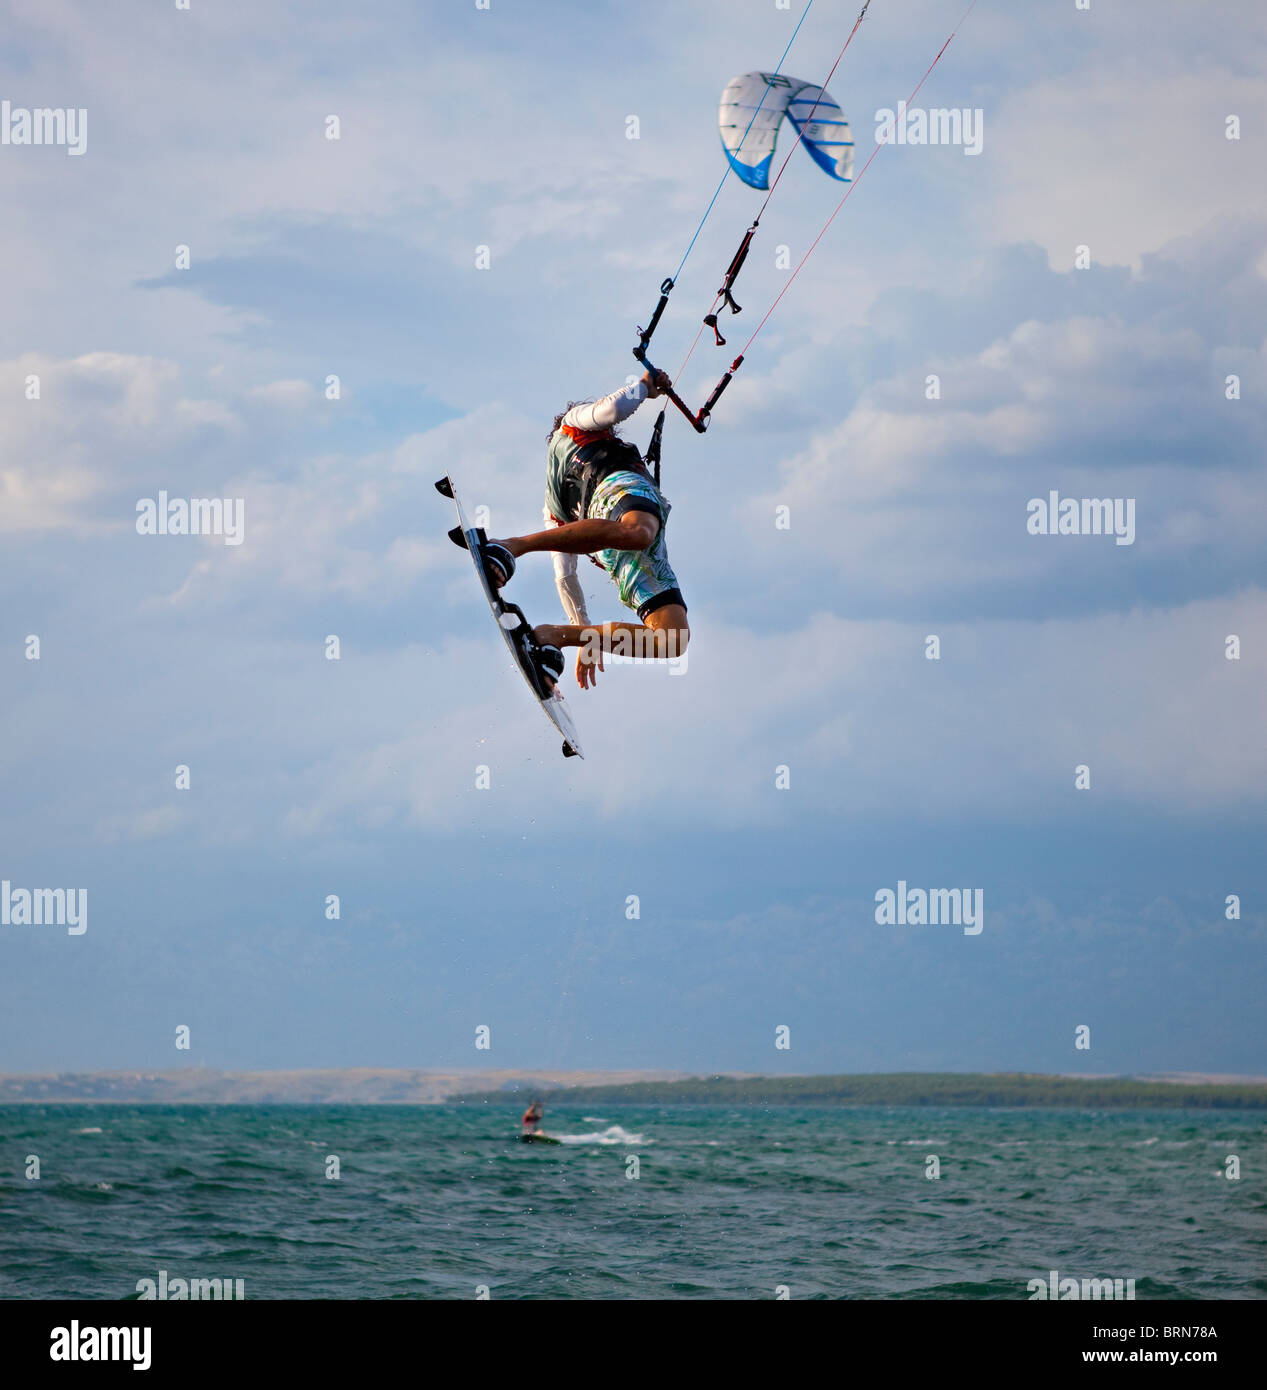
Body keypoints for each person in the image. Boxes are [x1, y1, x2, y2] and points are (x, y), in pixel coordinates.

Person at [484, 370, 690, 691]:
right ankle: (511, 546)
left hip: (630, 541)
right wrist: (644, 387)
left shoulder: (554, 507)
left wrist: (584, 636)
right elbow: (610, 410)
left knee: (672, 640)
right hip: (624, 501)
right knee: (638, 532)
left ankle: (556, 635)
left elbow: (565, 577)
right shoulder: (572, 422)